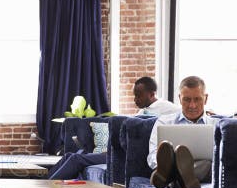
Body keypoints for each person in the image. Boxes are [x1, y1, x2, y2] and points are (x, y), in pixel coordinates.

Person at [48, 77, 179, 180]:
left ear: (151, 94)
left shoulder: (168, 108)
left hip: (127, 157)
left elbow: (181, 116)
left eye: (139, 95)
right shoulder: (141, 113)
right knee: (71, 155)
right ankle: (42, 186)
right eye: (134, 95)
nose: (135, 100)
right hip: (116, 152)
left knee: (76, 159)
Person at [148, 75, 220, 188]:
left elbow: (221, 159)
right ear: (180, 98)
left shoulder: (217, 125)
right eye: (187, 99)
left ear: (205, 99)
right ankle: (181, 178)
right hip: (172, 168)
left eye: (197, 99)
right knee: (163, 160)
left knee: (207, 163)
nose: (192, 105)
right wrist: (166, 165)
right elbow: (152, 154)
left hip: (201, 167)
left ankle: (171, 178)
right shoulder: (164, 122)